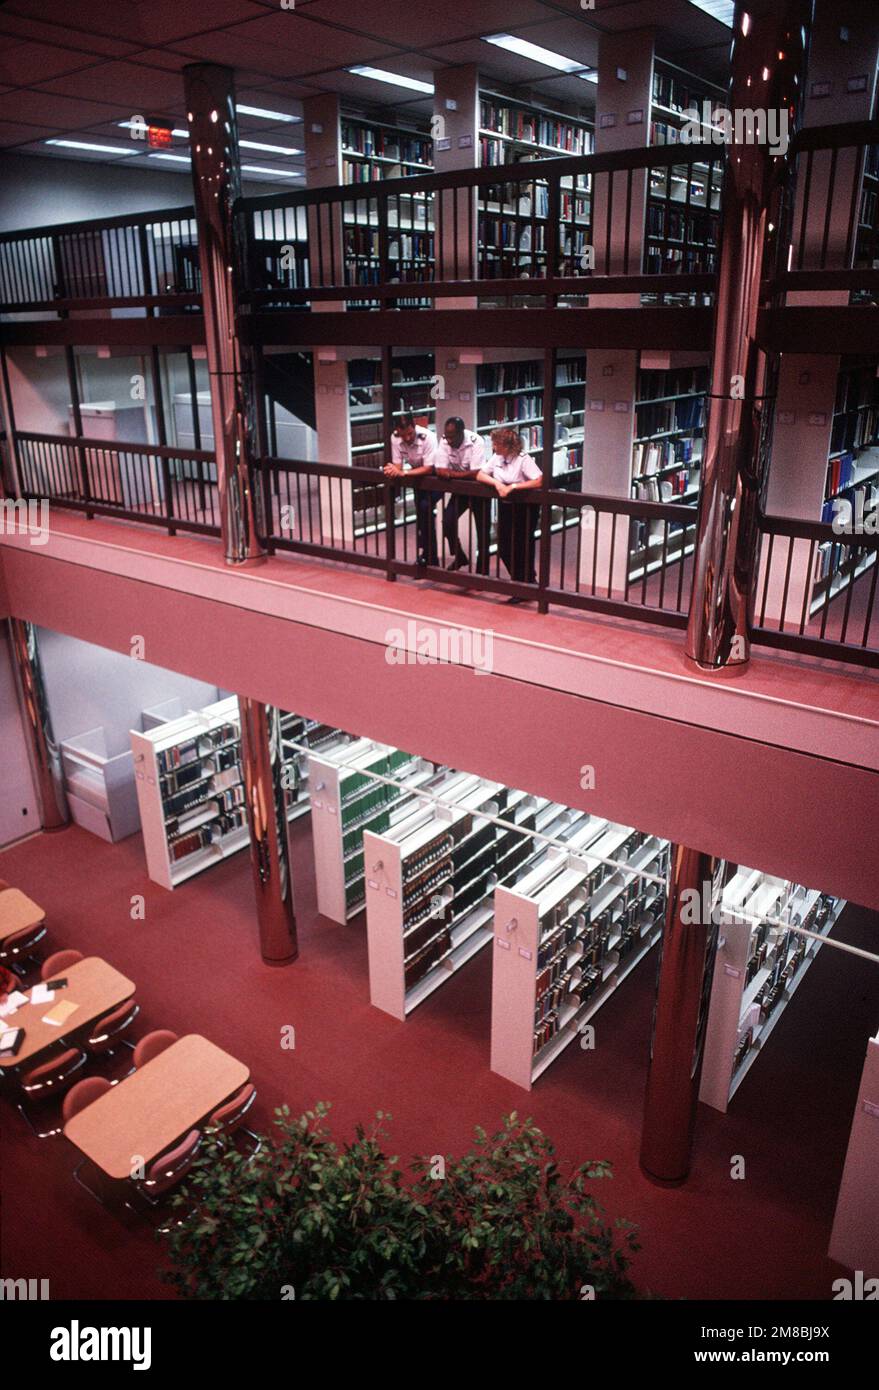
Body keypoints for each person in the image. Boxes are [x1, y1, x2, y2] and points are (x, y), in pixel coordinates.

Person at [477, 427, 543, 604]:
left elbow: (539, 480)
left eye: (496, 443)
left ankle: (524, 585)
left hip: (525, 508)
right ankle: (524, 580)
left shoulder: (523, 459)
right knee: (505, 547)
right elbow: (481, 474)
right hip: (506, 506)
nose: (493, 447)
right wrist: (497, 484)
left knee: (522, 545)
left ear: (506, 445)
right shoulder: (497, 457)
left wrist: (514, 487)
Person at [434, 416, 490, 573]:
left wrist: (451, 474)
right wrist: (462, 474)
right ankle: (459, 556)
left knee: (483, 533)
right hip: (461, 492)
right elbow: (440, 470)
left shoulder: (476, 441)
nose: (448, 440)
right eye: (447, 436)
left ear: (461, 433)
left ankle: (482, 571)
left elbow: (476, 473)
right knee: (448, 522)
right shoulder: (444, 440)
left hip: (480, 491)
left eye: (452, 437)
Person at [383, 412, 438, 567]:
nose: (407, 438)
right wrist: (391, 469)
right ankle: (429, 557)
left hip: (435, 476)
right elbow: (398, 465)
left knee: (424, 509)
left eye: (409, 434)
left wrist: (403, 473)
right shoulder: (395, 437)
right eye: (403, 435)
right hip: (416, 478)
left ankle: (428, 556)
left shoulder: (428, 437)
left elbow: (428, 468)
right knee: (422, 516)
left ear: (414, 426)